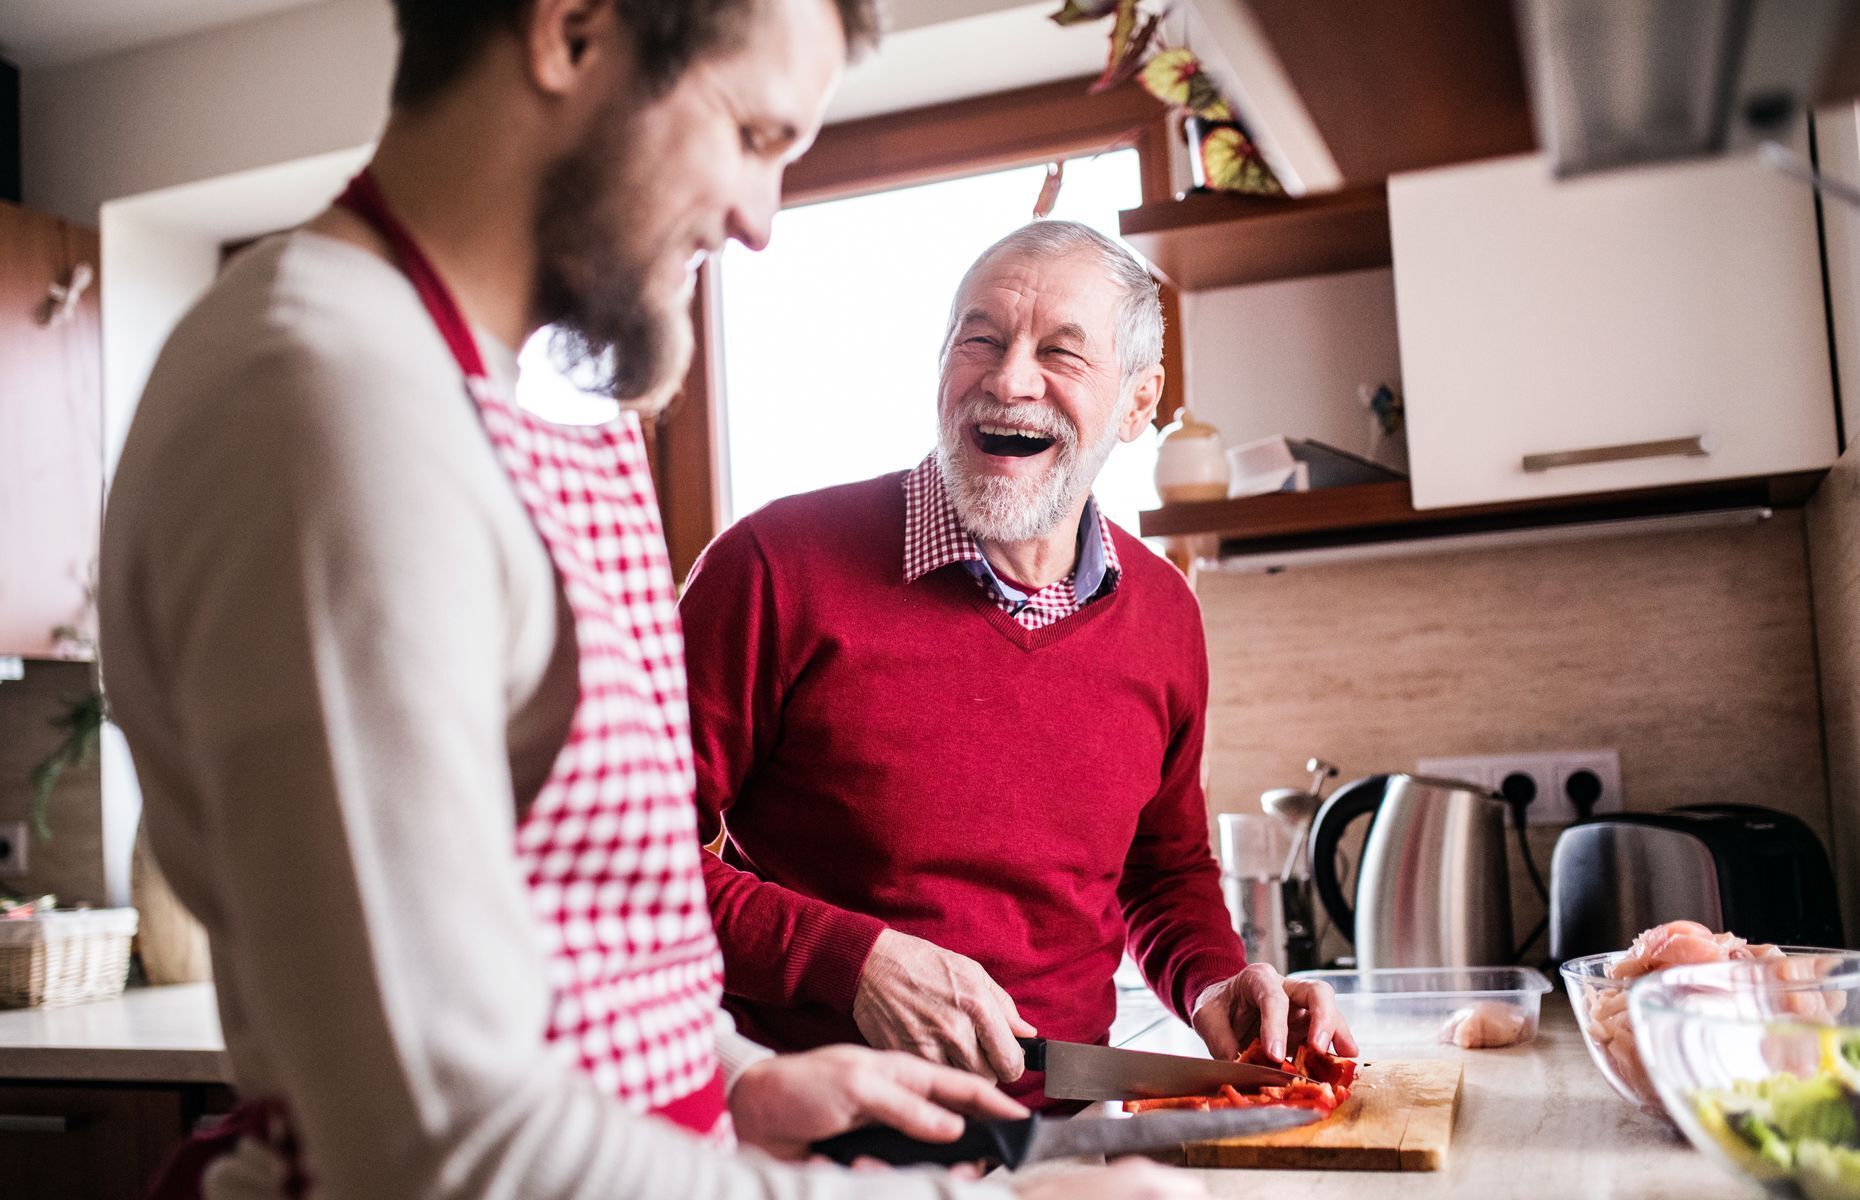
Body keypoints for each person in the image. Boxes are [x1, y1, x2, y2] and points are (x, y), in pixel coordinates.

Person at [99, 1, 1205, 1197]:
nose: (759, 219)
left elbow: (557, 950)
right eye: (753, 132)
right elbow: (441, 1142)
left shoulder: (449, 387)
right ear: (571, 33)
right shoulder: (331, 401)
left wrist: (725, 1078)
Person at [680, 221, 1356, 1100]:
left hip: (1063, 1137)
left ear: (1138, 401)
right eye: (980, 340)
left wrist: (1216, 985)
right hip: (808, 1139)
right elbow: (622, 862)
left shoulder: (1164, 615)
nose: (1008, 380)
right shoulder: (772, 567)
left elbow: (1163, 873)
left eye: (1062, 354)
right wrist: (852, 962)